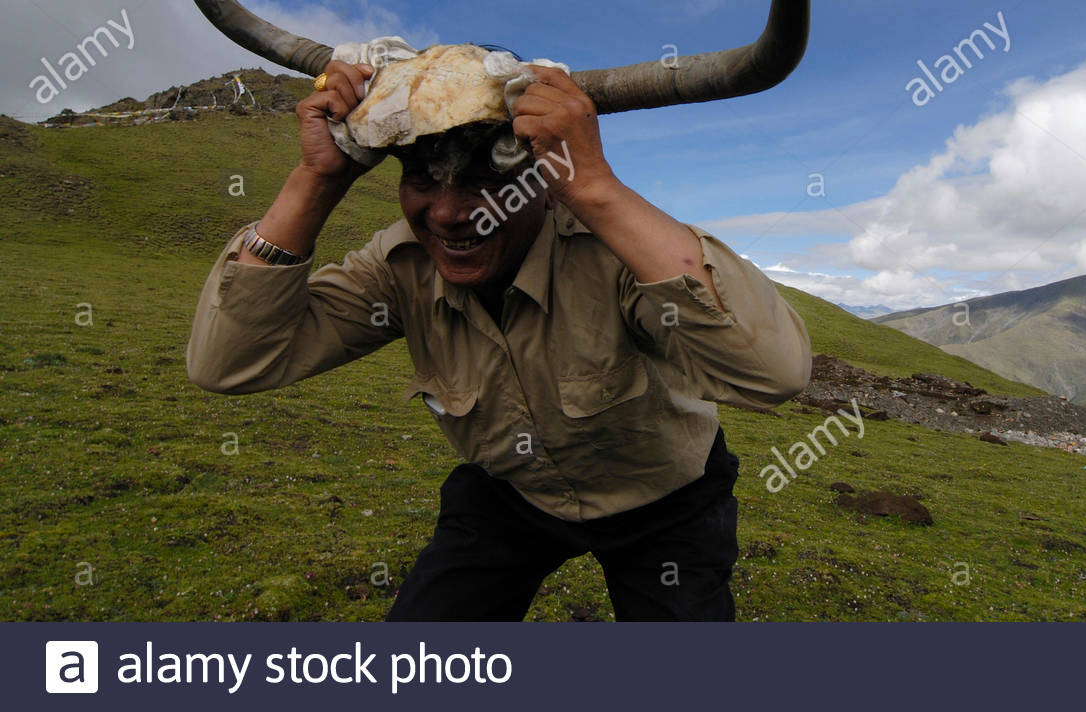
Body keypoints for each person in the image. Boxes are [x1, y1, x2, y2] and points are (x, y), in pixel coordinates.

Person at [186, 57, 813, 621]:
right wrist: (316, 181)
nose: (451, 214)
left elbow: (773, 373)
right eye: (424, 180)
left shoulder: (616, 253)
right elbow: (229, 363)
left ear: (543, 178)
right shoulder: (396, 265)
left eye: (489, 178)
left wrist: (592, 184)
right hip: (514, 495)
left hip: (667, 499)